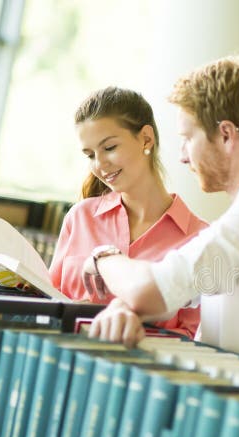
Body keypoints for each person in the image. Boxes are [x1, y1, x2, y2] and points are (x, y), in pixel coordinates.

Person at [82, 56, 239, 375]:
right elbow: (184, 288)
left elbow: (150, 289)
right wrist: (126, 305)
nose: (182, 155)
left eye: (188, 138)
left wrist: (103, 257)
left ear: (226, 135)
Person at [49, 86, 208, 338]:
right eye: (90, 155)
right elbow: (49, 301)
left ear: (146, 138)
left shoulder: (199, 238)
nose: (99, 165)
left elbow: (191, 337)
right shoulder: (79, 218)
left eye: (109, 147)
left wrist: (132, 325)